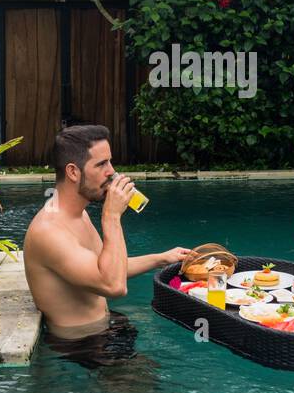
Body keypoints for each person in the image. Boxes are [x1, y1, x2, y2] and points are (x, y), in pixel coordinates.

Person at [23, 124, 190, 350]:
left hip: (107, 326)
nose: (111, 171)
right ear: (73, 172)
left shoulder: (78, 214)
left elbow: (107, 268)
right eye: (101, 164)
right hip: (83, 344)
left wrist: (161, 258)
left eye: (110, 162)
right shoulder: (49, 232)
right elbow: (114, 286)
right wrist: (111, 216)